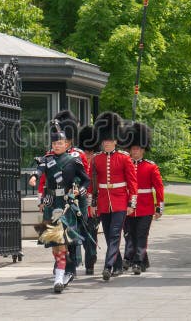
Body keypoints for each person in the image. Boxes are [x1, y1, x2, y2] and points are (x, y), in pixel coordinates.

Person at [33, 121, 91, 293]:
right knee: (54, 243)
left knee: (62, 242)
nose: (57, 146)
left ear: (67, 144)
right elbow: (40, 171)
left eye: (60, 143)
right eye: (54, 143)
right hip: (51, 204)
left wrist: (80, 191)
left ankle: (60, 276)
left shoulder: (74, 160)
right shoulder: (47, 159)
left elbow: (85, 180)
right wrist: (34, 179)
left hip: (66, 205)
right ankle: (64, 271)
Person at [90, 111, 137, 281]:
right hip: (103, 201)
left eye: (110, 141)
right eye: (105, 141)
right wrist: (92, 203)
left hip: (119, 201)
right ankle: (117, 265)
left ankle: (108, 266)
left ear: (116, 141)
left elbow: (132, 183)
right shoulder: (96, 159)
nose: (107, 143)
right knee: (110, 235)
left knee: (115, 234)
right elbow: (92, 183)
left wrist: (132, 203)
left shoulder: (124, 158)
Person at [123, 122, 164, 275]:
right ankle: (139, 259)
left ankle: (138, 262)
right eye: (133, 149)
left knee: (141, 234)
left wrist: (159, 207)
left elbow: (159, 188)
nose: (135, 152)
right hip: (127, 205)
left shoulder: (151, 167)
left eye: (138, 149)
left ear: (143, 150)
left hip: (145, 206)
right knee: (129, 234)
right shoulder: (125, 165)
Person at [77, 124, 100, 275]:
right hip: (79, 201)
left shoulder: (98, 162)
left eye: (91, 151)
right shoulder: (78, 162)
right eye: (87, 151)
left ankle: (90, 261)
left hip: (95, 203)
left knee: (91, 231)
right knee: (82, 233)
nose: (89, 154)